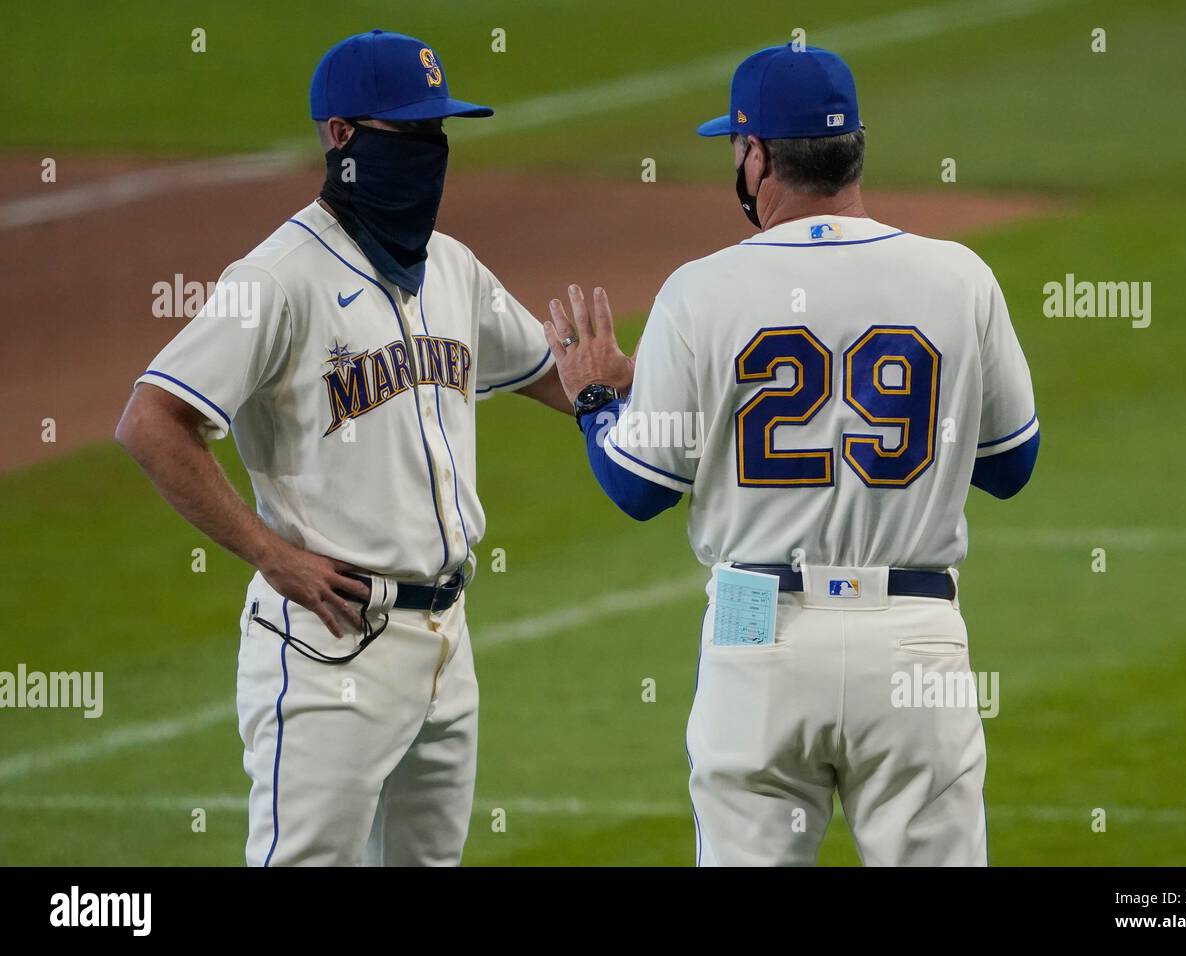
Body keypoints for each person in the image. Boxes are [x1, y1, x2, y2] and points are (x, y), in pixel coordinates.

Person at [115, 29, 630, 866]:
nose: (431, 153)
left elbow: (565, 376)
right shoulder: (277, 279)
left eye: (439, 134)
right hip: (326, 648)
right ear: (342, 138)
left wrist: (665, 386)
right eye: (411, 135)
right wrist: (270, 555)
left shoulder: (452, 267)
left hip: (443, 645)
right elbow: (150, 422)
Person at [545, 44, 1039, 866]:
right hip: (915, 637)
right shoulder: (960, 276)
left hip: (756, 633)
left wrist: (600, 400)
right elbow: (1009, 468)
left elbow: (637, 488)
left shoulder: (702, 289)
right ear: (855, 149)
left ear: (760, 156)